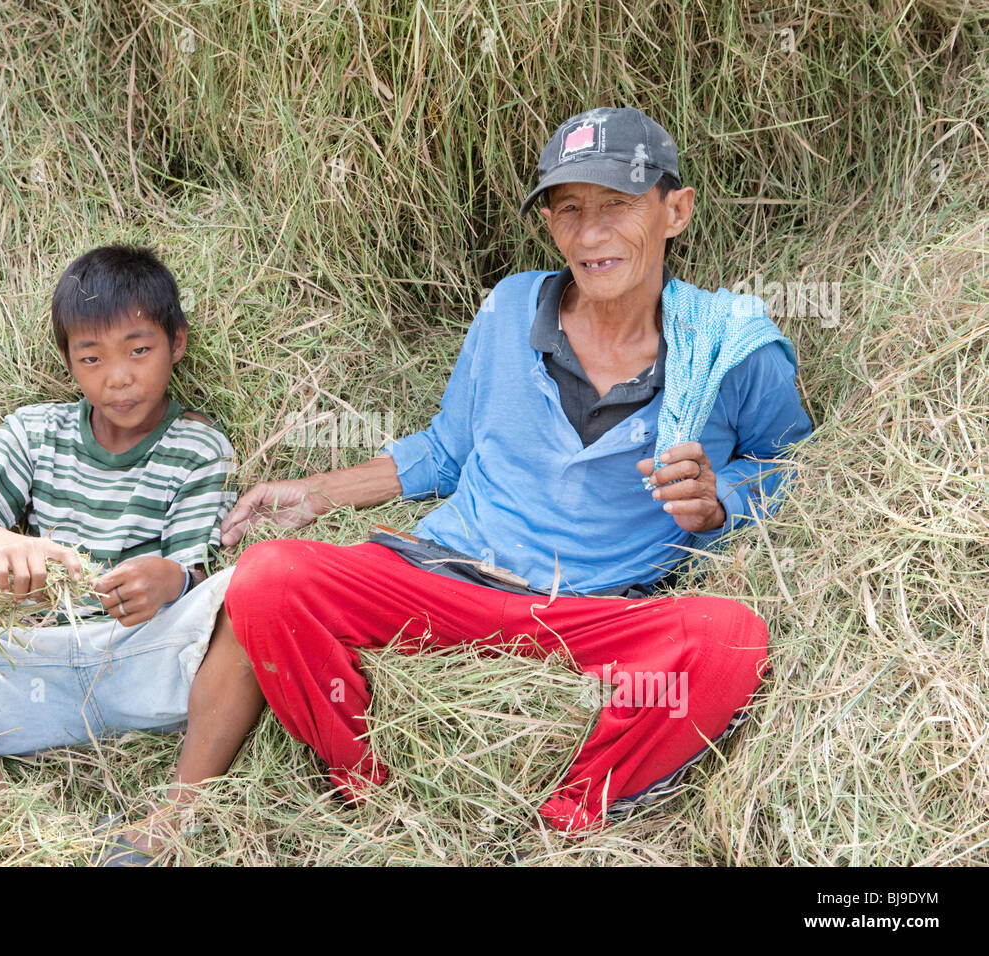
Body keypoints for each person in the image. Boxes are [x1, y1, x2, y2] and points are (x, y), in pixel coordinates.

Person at [103, 106, 813, 862]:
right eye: (568, 209)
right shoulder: (511, 309)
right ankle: (356, 797)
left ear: (676, 210)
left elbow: (786, 464)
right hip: (448, 579)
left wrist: (720, 503)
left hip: (590, 616)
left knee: (728, 640)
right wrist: (310, 492)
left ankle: (559, 827)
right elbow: (447, 450)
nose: (590, 232)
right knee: (269, 577)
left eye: (617, 205)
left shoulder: (734, 349)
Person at [0, 244, 241, 798]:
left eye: (139, 350)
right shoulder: (38, 432)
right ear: (68, 362)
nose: (118, 378)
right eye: (92, 359)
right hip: (36, 662)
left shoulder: (200, 446)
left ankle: (177, 813)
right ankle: (1, 827)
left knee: (248, 591)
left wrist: (170, 579)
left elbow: (197, 572)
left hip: (148, 657)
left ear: (176, 344)